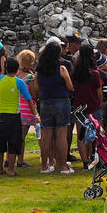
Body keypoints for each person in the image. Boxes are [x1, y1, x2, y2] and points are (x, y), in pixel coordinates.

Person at [35, 38, 75, 174]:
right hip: (61, 101)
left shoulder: (39, 70)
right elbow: (70, 87)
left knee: (46, 135)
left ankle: (44, 165)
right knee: (61, 135)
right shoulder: (62, 68)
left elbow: (36, 88)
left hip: (45, 101)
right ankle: (63, 165)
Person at [0, 57, 32, 177]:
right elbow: (29, 99)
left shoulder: (1, 79)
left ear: (5, 68)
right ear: (17, 68)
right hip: (14, 116)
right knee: (13, 144)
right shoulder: (20, 82)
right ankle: (10, 169)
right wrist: (35, 114)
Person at [70, 43, 104, 170]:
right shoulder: (95, 74)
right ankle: (94, 159)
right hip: (94, 106)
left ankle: (85, 161)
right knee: (96, 135)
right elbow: (99, 93)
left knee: (81, 135)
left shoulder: (76, 73)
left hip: (79, 107)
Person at [16, 48, 39, 167]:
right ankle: (20, 160)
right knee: (22, 137)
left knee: (16, 135)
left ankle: (11, 158)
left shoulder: (14, 74)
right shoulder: (30, 77)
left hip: (15, 107)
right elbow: (34, 94)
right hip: (26, 108)